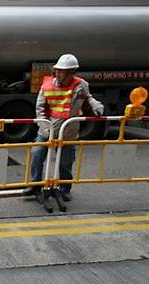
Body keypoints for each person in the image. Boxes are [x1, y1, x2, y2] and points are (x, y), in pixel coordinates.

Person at [22, 54, 104, 202]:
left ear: (72, 72)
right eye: (57, 70)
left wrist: (94, 104)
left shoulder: (81, 85)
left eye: (61, 71)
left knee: (66, 161)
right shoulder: (47, 85)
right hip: (48, 128)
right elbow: (40, 109)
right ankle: (35, 185)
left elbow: (88, 97)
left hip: (69, 130)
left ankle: (65, 189)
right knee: (37, 153)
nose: (57, 74)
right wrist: (45, 127)